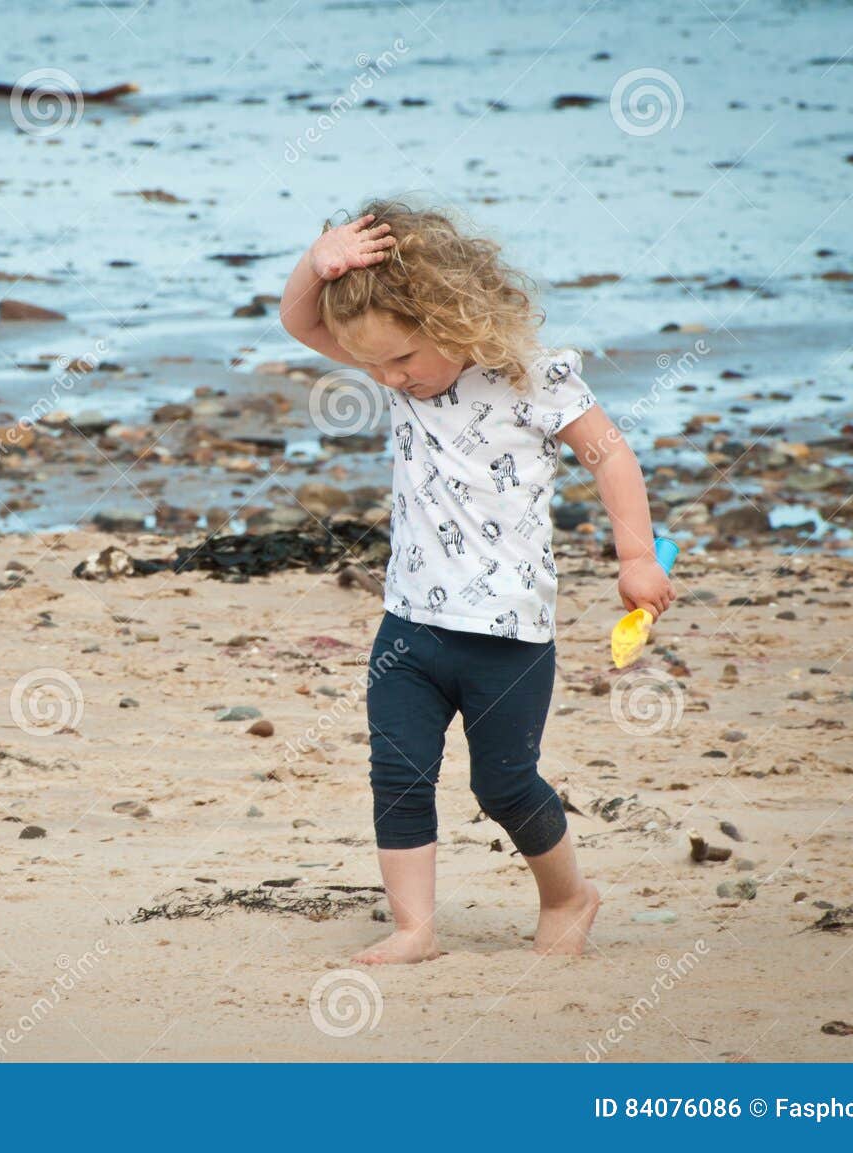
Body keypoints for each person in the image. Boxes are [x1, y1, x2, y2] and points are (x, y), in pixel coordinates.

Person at [278, 201, 675, 962]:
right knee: (397, 771)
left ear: (449, 319)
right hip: (410, 625)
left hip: (509, 635)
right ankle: (415, 927)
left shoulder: (533, 377)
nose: (388, 379)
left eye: (400, 362)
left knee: (503, 784)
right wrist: (318, 260)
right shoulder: (397, 371)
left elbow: (612, 454)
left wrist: (636, 558)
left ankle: (568, 894)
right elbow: (300, 322)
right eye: (374, 367)